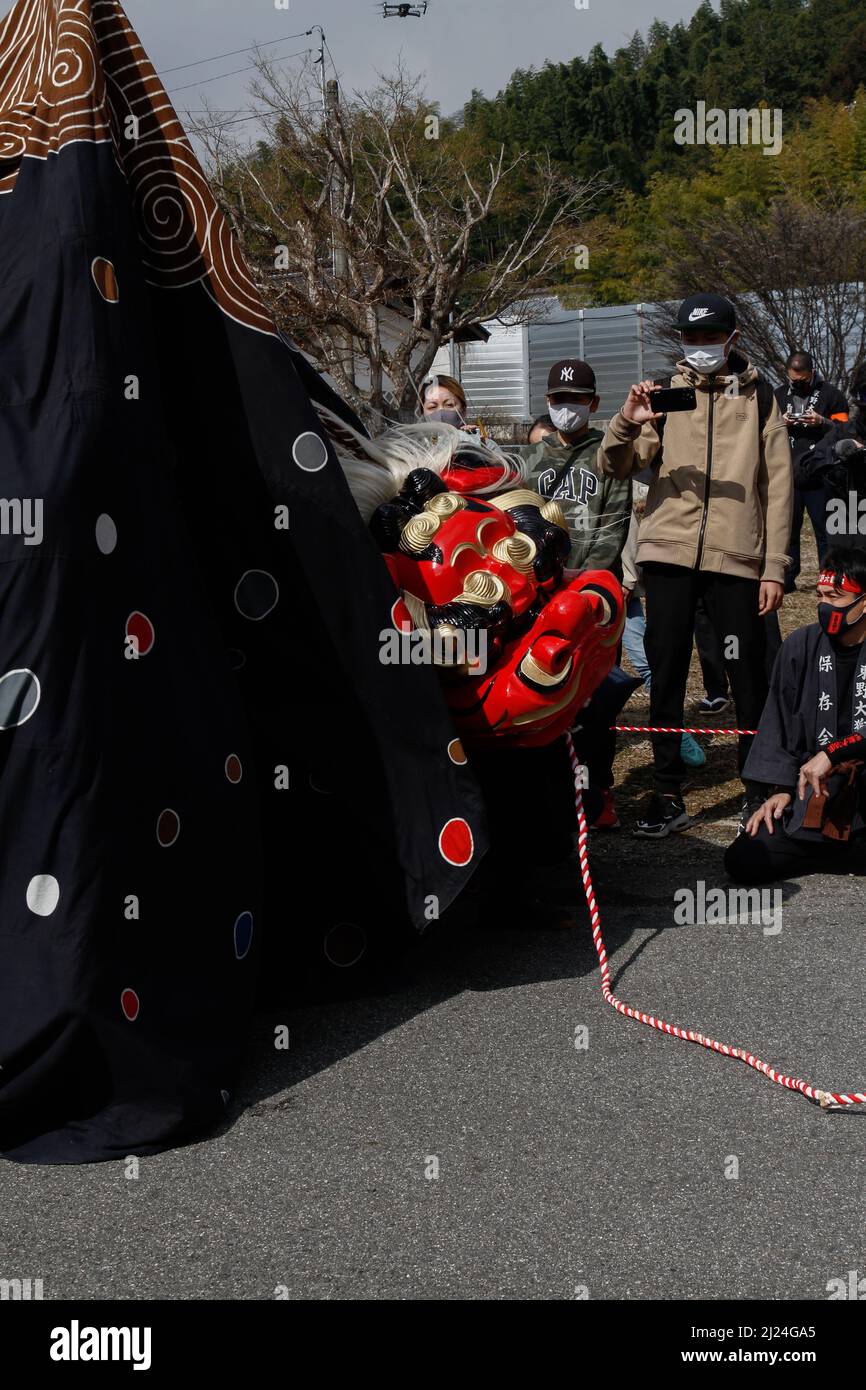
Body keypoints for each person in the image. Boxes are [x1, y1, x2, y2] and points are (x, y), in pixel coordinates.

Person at [598, 293, 793, 838]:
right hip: (668, 552)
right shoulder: (665, 391)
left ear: (732, 339)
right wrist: (627, 419)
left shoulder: (759, 397)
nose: (700, 347)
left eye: (710, 338)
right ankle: (666, 790)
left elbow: (777, 486)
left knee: (746, 669)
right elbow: (618, 466)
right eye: (691, 338)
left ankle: (759, 789)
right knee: (666, 669)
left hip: (736, 557)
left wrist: (774, 565)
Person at [525, 359, 633, 829]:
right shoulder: (531, 459)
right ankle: (548, 794)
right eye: (557, 400)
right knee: (542, 698)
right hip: (537, 598)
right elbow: (518, 524)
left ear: (593, 404)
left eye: (575, 400)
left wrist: (584, 584)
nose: (566, 408)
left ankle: (599, 793)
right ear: (547, 403)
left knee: (595, 702)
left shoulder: (608, 456)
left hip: (592, 601)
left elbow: (613, 526)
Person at [725, 544, 866, 884]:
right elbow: (779, 720)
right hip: (815, 794)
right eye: (820, 595)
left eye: (834, 597)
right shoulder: (801, 645)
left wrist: (833, 753)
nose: (823, 605)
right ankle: (833, 850)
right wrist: (781, 789)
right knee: (744, 859)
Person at [621, 480, 706, 769]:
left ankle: (674, 730)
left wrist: (628, 577)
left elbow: (627, 530)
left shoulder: (614, 475)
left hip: (616, 587)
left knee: (648, 661)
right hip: (571, 590)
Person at [776, 350, 848, 591]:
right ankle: (786, 579)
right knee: (787, 531)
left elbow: (845, 430)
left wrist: (822, 422)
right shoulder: (778, 395)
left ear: (812, 373)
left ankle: (827, 577)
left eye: (803, 380)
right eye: (792, 380)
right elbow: (760, 431)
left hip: (820, 474)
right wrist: (779, 423)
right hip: (788, 474)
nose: (797, 384)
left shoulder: (832, 395)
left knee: (824, 531)